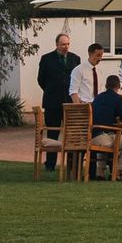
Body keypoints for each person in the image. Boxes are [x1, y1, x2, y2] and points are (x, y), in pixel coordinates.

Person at [36, 31, 79, 171]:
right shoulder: (47, 59)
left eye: (68, 44)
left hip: (69, 102)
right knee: (53, 133)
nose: (66, 47)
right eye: (63, 44)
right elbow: (41, 79)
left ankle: (72, 165)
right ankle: (50, 164)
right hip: (52, 102)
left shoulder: (75, 59)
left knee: (72, 133)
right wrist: (50, 90)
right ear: (57, 45)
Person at [89, 75, 122, 179]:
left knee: (108, 138)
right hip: (104, 136)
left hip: (92, 136)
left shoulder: (98, 97)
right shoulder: (117, 99)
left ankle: (100, 173)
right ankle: (117, 170)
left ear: (106, 85)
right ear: (118, 86)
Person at [71, 42, 107, 108]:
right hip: (85, 106)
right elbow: (73, 92)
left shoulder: (99, 71)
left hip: (99, 106)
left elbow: (102, 90)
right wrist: (79, 109)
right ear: (90, 54)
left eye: (101, 56)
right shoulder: (79, 70)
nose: (100, 59)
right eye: (98, 55)